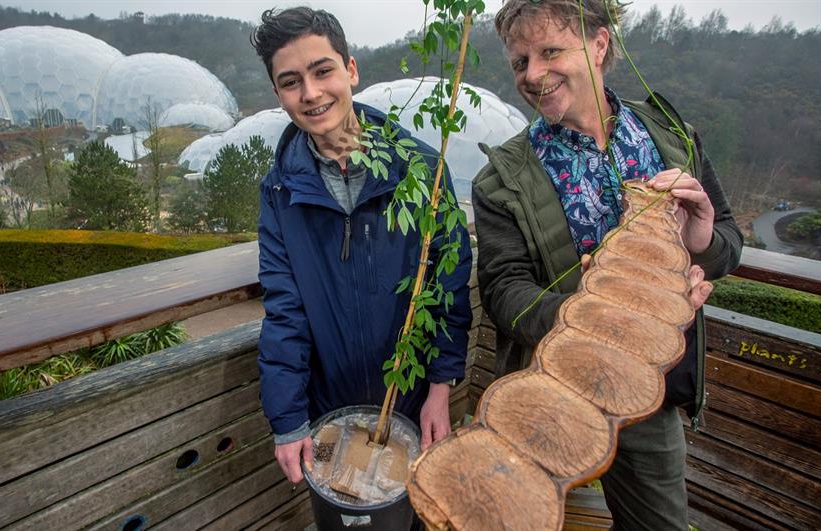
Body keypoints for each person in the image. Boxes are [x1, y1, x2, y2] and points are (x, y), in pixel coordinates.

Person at [472, 0, 743, 528]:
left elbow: (727, 245)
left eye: (550, 51)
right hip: (551, 389)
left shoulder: (671, 137)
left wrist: (702, 240)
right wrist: (596, 314)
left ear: (599, 45)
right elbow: (504, 293)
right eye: (520, 61)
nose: (533, 74)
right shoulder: (502, 177)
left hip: (647, 395)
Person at [251, 7, 472, 485]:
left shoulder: (421, 171)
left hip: (412, 400)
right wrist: (287, 420)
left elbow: (447, 284)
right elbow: (285, 310)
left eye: (322, 71)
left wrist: (440, 387)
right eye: (291, 82)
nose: (311, 93)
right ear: (277, 94)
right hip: (331, 409)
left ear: (350, 70)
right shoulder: (280, 193)